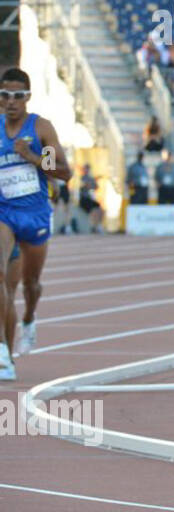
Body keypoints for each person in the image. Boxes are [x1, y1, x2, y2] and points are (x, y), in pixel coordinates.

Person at [0, 68, 72, 378]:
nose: (11, 102)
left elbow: (64, 172)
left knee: (30, 285)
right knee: (1, 277)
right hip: (4, 213)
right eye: (4, 95)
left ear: (27, 97)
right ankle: (4, 352)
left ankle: (29, 317)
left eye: (17, 96)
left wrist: (30, 156)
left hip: (36, 215)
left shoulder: (40, 127)